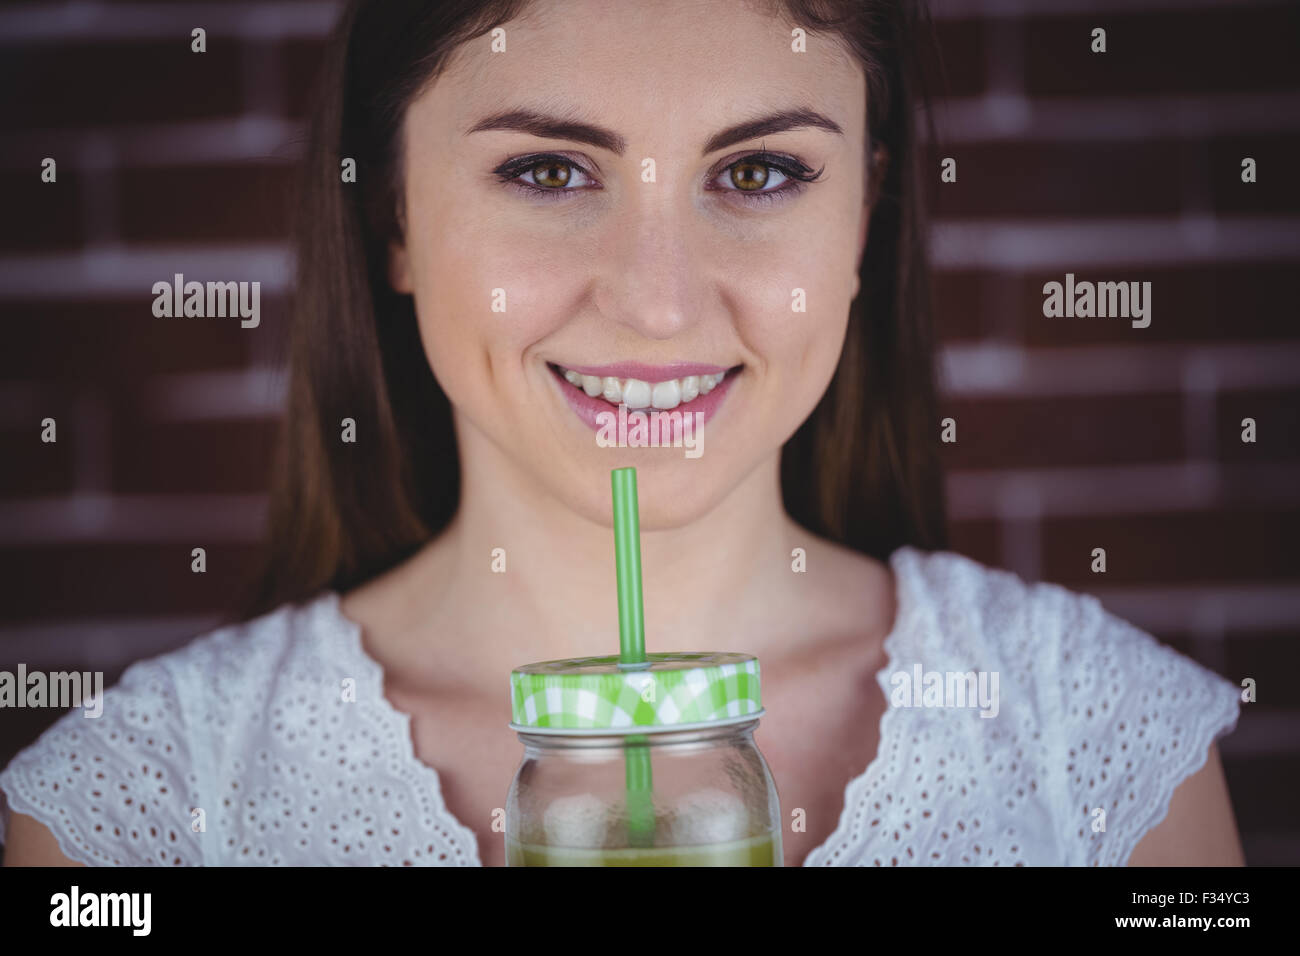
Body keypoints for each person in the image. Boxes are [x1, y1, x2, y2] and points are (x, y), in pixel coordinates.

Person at [1, 0, 1242, 867]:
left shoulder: (1099, 741)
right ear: (389, 219)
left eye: (759, 173)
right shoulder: (138, 808)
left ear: (863, 213)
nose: (657, 303)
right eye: (548, 170)